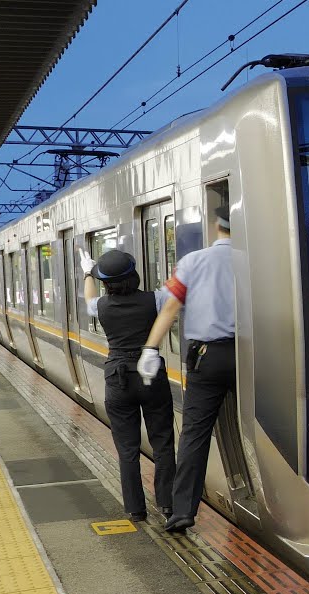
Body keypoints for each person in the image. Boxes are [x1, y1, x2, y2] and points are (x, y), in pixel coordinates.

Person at [138, 207, 236, 533]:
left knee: (194, 435)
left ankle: (181, 512)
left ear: (216, 226)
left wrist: (151, 348)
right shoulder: (257, 260)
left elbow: (171, 305)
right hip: (254, 356)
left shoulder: (194, 261)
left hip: (208, 358)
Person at [81, 249, 176, 522]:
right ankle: (167, 504)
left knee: (127, 448)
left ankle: (135, 509)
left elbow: (88, 297)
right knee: (163, 442)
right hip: (150, 374)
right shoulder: (155, 299)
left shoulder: (100, 306)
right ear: (133, 275)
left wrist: (88, 272)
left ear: (105, 283)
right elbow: (175, 297)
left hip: (118, 378)